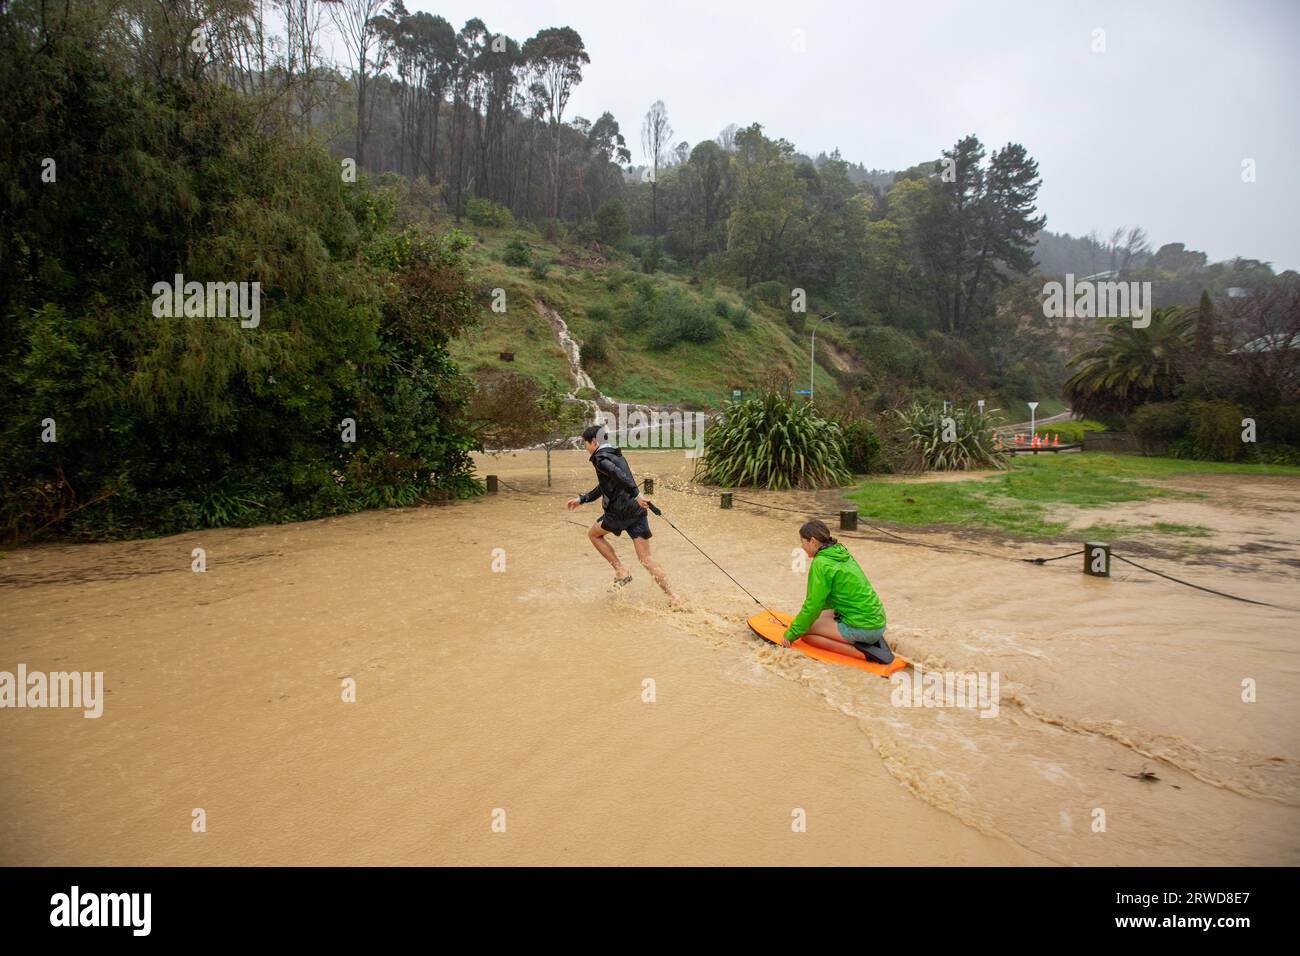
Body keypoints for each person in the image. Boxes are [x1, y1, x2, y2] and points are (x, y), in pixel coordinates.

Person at [566, 425, 680, 603]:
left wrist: (636, 494)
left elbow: (615, 473)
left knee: (594, 534)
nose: (585, 448)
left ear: (594, 441)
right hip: (637, 510)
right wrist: (583, 499)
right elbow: (610, 482)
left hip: (619, 512)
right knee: (646, 559)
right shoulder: (615, 453)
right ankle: (674, 597)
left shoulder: (598, 458)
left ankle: (621, 570)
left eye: (585, 444)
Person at [782, 519, 893, 664]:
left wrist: (792, 634)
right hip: (878, 621)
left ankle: (862, 654)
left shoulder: (820, 563)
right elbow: (826, 600)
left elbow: (812, 605)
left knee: (806, 634)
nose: (801, 547)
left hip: (864, 628)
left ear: (813, 542)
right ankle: (859, 637)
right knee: (817, 617)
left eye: (803, 542)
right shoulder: (840, 552)